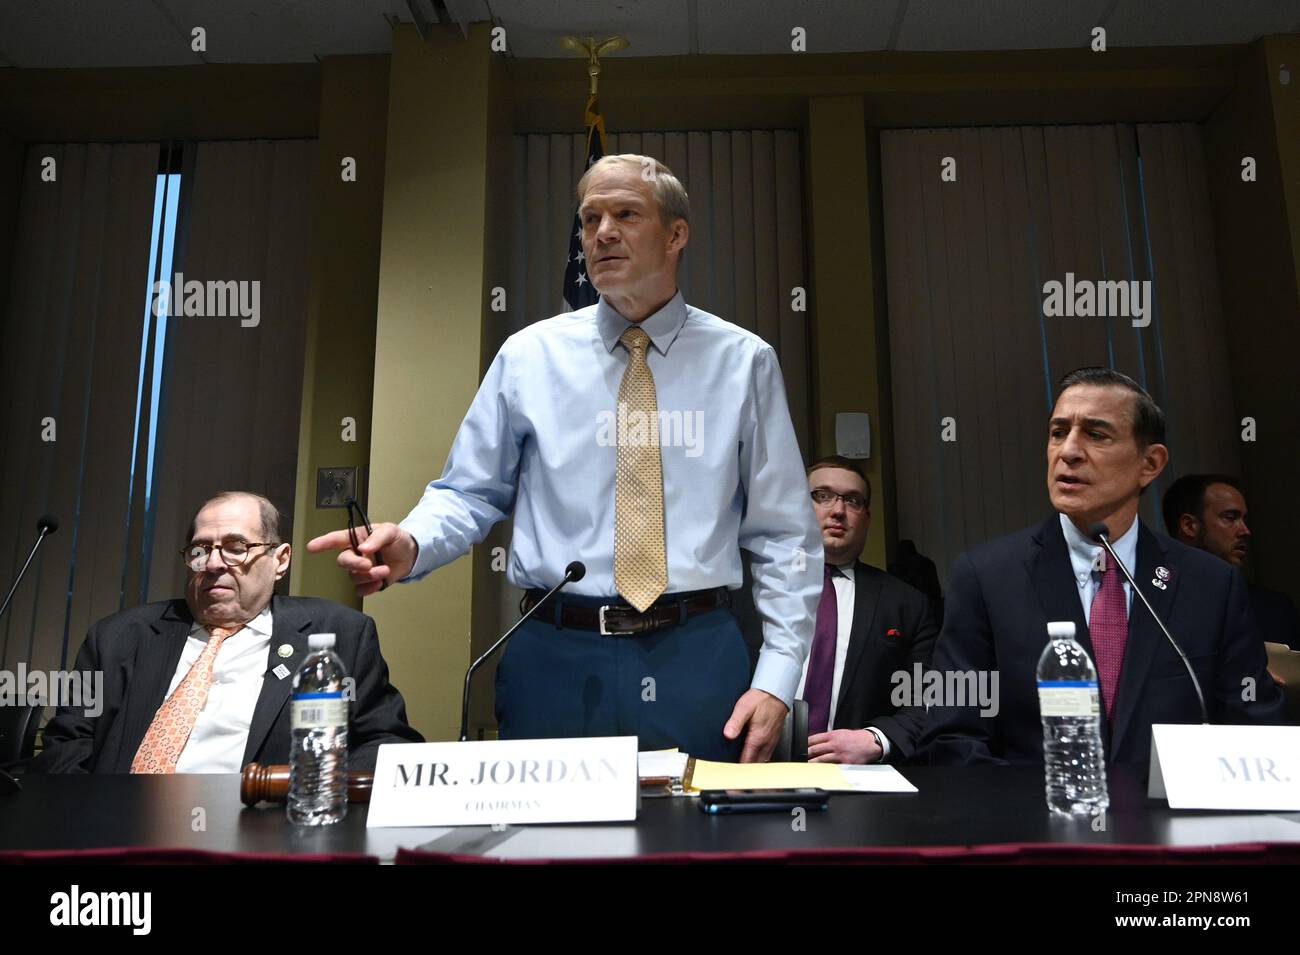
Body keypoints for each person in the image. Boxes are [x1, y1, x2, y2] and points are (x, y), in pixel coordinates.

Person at [309, 155, 821, 762]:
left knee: (695, 849)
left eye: (626, 214)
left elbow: (784, 533)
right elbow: (469, 492)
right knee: (546, 849)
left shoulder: (744, 361)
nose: (602, 233)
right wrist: (413, 542)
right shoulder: (530, 356)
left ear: (676, 234)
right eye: (590, 219)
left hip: (697, 653)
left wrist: (777, 679)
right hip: (555, 655)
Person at [919, 368, 1289, 767]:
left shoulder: (1211, 584)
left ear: (1150, 463)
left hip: (1171, 823)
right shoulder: (987, 576)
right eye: (1059, 432)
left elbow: (1257, 731)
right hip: (1036, 820)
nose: (1069, 451)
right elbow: (953, 737)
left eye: (1096, 435)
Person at [33, 491, 422, 774]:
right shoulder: (116, 637)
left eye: (236, 547)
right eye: (201, 550)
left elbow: (384, 744)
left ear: (280, 560)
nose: (215, 563)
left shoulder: (338, 634)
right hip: (123, 830)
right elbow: (66, 743)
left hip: (265, 834)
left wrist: (309, 798)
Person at [801, 456, 937, 764]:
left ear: (867, 517)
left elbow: (928, 699)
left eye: (853, 500)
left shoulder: (908, 605)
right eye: (822, 496)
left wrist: (877, 739)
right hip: (749, 769)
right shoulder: (748, 590)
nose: (838, 510)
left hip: (857, 782)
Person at [1162, 474, 1300, 651]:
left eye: (1243, 519)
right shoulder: (1151, 604)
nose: (1245, 531)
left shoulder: (1274, 609)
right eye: (1230, 517)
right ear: (1189, 526)